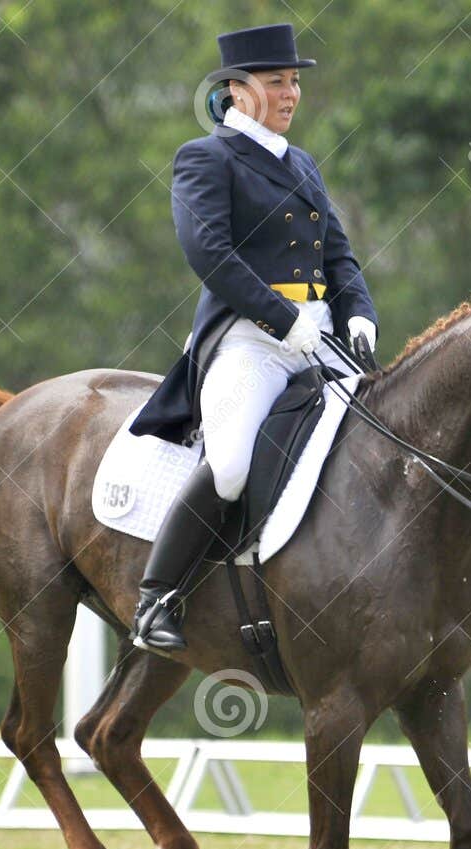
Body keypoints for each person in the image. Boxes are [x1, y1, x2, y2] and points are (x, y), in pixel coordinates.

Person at [127, 22, 378, 653]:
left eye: (294, 81)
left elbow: (338, 255)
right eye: (276, 82)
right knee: (233, 463)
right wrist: (279, 317)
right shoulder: (205, 158)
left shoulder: (303, 163)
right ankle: (158, 596)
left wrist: (359, 315)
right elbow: (207, 251)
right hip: (249, 341)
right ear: (238, 91)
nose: (291, 93)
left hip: (321, 338)